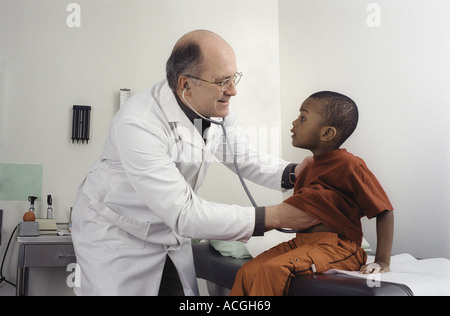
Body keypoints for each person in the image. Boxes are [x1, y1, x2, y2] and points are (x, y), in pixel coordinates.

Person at [71, 30, 312, 296]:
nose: (233, 91)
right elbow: (185, 212)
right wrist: (276, 216)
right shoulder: (139, 123)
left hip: (169, 232)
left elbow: (240, 155)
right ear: (186, 85)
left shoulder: (213, 108)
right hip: (119, 236)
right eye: (223, 81)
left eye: (234, 78)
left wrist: (292, 173)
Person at [230, 91, 394, 296]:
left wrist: (381, 261)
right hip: (302, 243)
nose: (294, 122)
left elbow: (384, 211)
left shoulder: (350, 165)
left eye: (303, 117)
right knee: (248, 271)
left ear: (327, 134)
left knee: (272, 270)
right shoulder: (307, 169)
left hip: (339, 248)